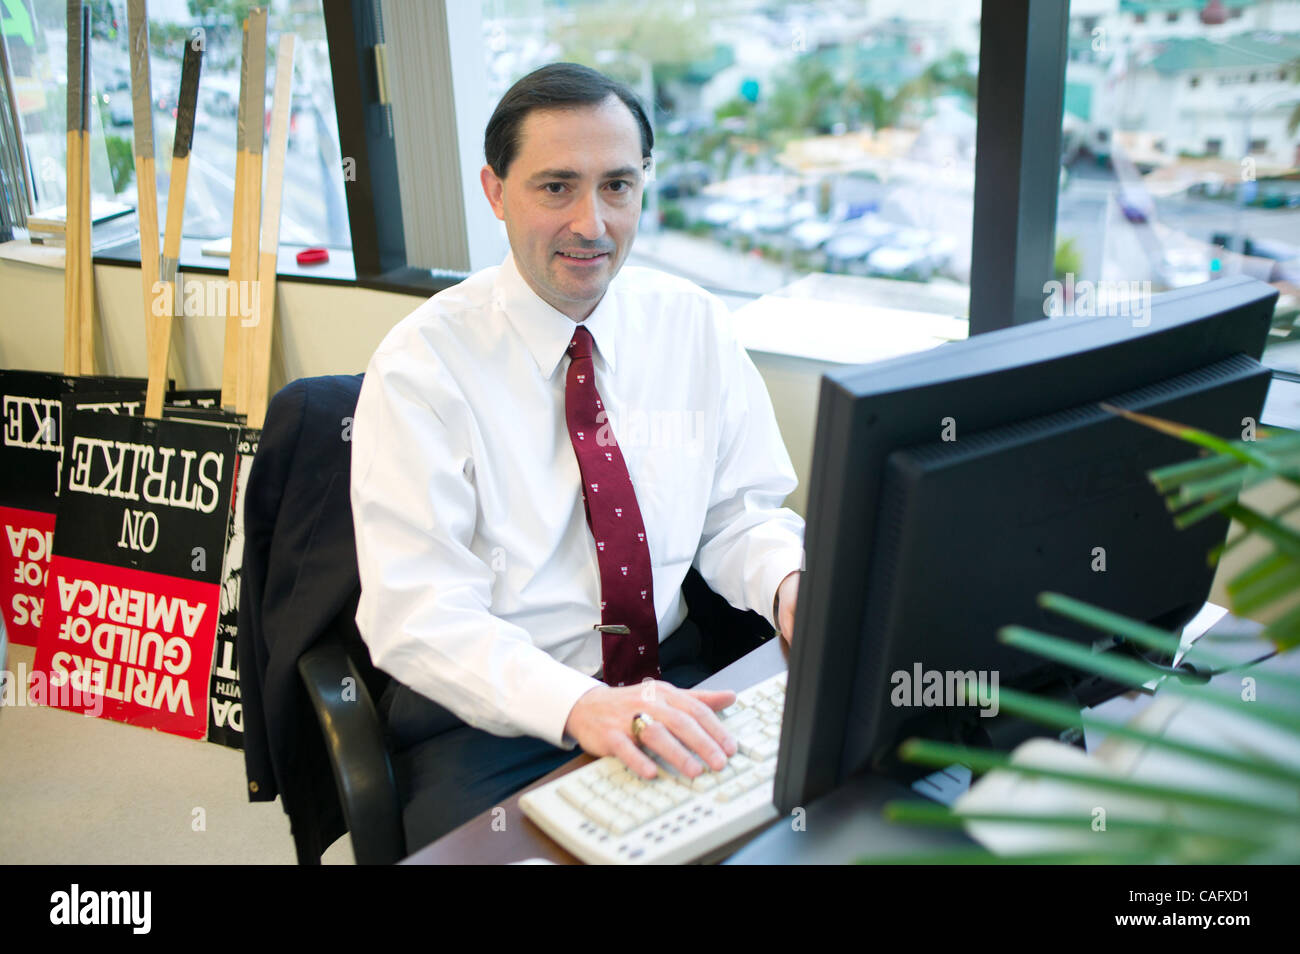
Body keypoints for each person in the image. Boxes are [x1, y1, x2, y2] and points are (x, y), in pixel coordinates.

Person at [350, 62, 805, 851]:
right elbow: (418, 611)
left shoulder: (692, 324)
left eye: (617, 186)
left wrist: (793, 585)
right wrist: (578, 705)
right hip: (494, 718)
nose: (592, 223)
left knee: (795, 826)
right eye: (556, 187)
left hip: (671, 678)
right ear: (496, 192)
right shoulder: (422, 366)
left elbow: (739, 515)